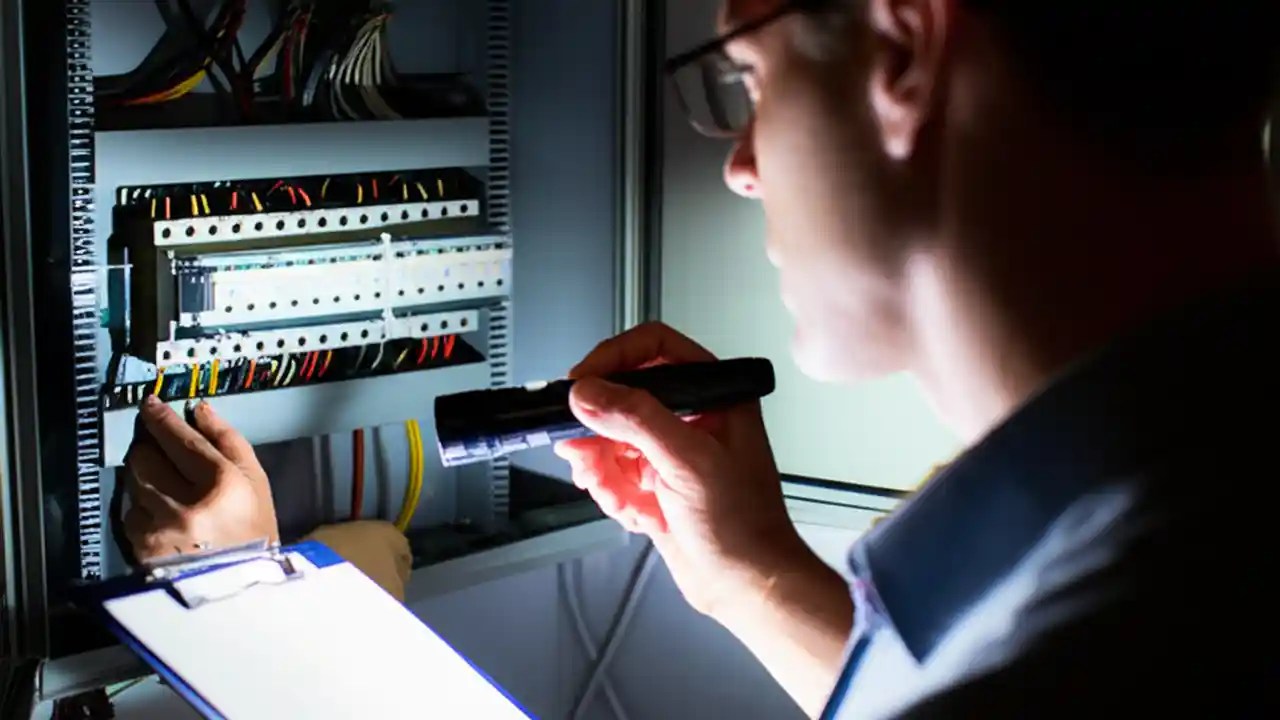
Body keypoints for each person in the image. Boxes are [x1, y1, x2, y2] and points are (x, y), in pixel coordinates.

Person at [124, 0, 1280, 717]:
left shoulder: (1123, 639)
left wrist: (238, 606)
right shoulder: (1197, 518)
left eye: (754, 82)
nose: (738, 164)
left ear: (902, 48)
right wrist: (752, 572)